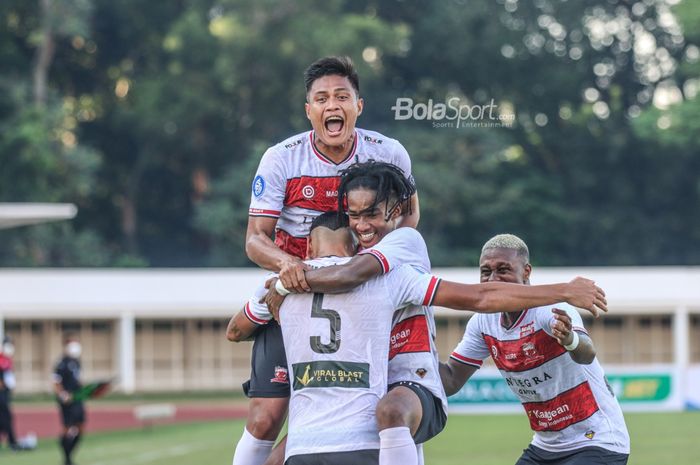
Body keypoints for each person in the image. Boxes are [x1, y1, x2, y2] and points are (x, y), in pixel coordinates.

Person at [266, 162, 607, 465]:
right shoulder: (349, 258)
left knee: (391, 410)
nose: (362, 225)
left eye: (372, 213)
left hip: (411, 383)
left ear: (397, 210)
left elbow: (479, 297)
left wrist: (286, 283)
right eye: (353, 216)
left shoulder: (403, 242)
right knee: (287, 451)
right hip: (366, 386)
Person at [235, 55, 420, 465]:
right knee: (266, 418)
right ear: (309, 111)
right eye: (321, 98)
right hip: (295, 296)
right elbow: (254, 240)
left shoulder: (389, 152)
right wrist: (292, 269)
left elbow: (409, 218)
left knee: (384, 405)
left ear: (358, 105)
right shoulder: (281, 157)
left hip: (364, 297)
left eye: (341, 96)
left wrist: (375, 266)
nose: (331, 105)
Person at [439, 234, 629, 465]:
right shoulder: (482, 323)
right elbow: (450, 381)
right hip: (546, 446)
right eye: (485, 271)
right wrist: (415, 354)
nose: (492, 279)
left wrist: (569, 339)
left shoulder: (548, 310)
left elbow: (587, 353)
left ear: (526, 272)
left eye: (503, 269)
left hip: (597, 441)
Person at [53, 335, 85, 465]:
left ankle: (66, 449)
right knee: (67, 428)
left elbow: (79, 380)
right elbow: (56, 382)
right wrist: (63, 394)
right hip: (67, 401)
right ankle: (67, 459)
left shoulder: (77, 362)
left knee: (80, 427)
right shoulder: (62, 363)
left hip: (78, 399)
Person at [0, 337, 19, 451]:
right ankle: (12, 442)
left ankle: (12, 441)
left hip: (6, 393)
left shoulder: (8, 360)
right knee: (6, 417)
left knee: (5, 418)